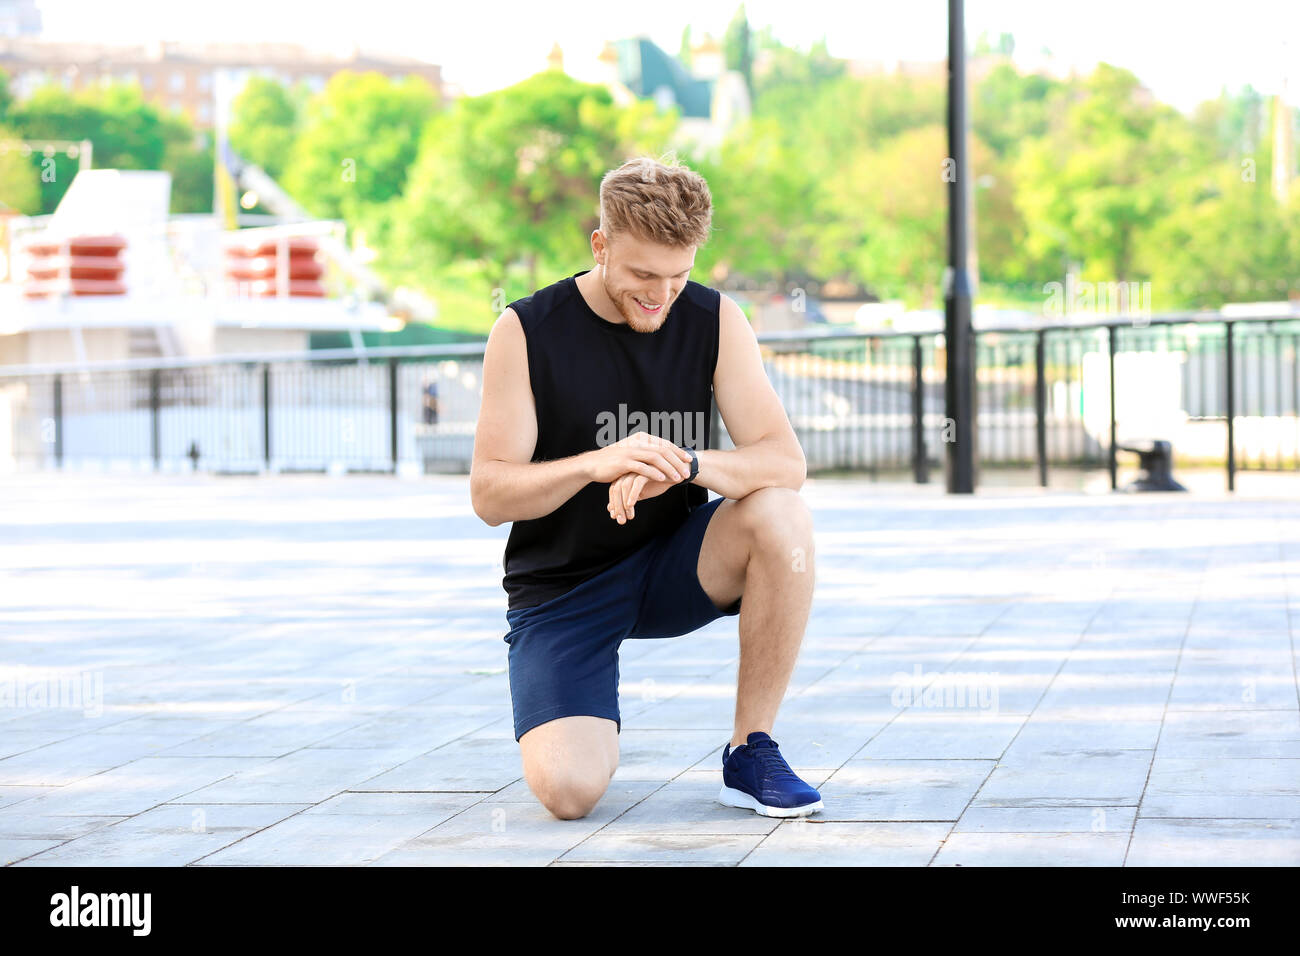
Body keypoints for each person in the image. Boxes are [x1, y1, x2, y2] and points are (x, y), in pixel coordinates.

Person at [470, 155, 822, 820]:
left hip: (672, 567)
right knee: (569, 793)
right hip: (563, 590)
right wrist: (592, 465)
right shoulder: (524, 331)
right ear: (600, 246)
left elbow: (784, 461)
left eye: (678, 275)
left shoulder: (717, 321)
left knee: (782, 513)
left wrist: (685, 463)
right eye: (641, 275)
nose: (660, 294)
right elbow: (490, 496)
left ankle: (752, 749)